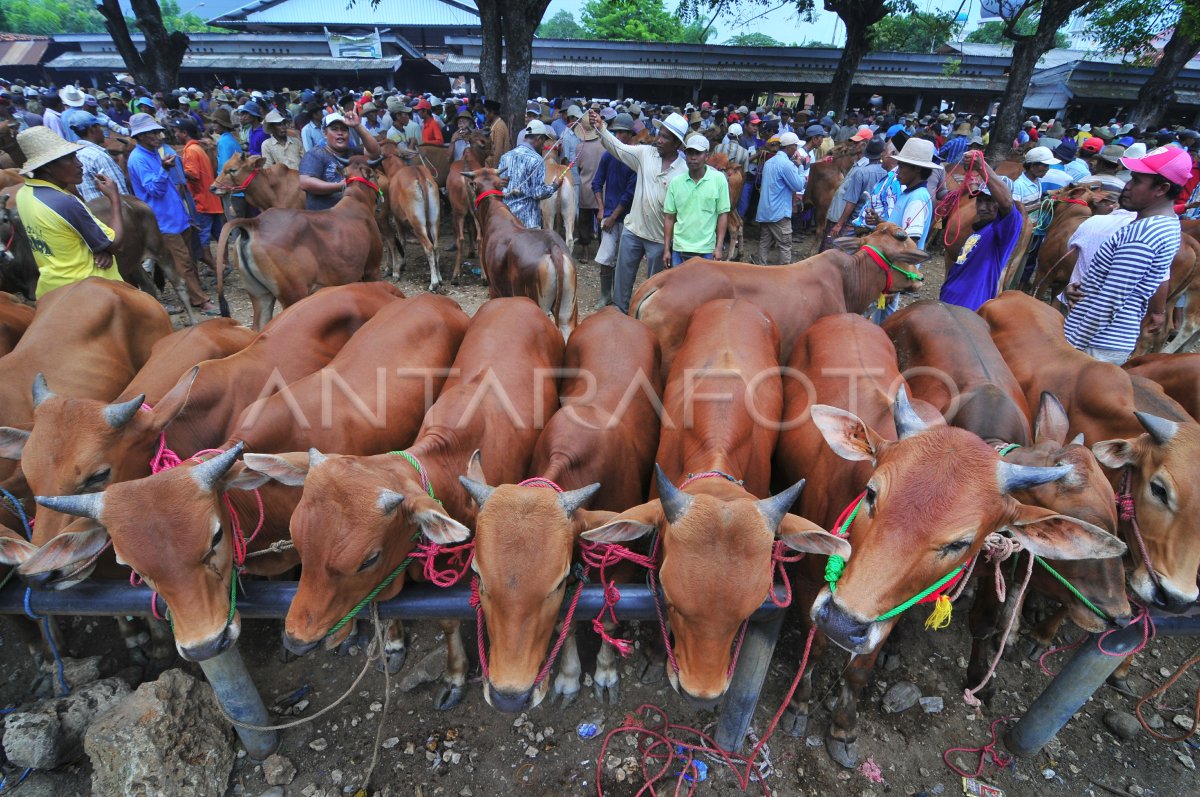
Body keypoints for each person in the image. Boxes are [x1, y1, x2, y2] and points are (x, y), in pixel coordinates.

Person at [1064, 146, 1186, 364]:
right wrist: (1086, 287)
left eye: (1137, 181)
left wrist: (1071, 346)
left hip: (1094, 344)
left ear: (1162, 188)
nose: (1127, 186)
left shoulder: (1145, 235)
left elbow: (1110, 301)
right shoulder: (1164, 224)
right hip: (1099, 339)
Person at [589, 108, 688, 313]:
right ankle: (619, 313)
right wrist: (601, 129)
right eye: (659, 134)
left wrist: (671, 243)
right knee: (622, 281)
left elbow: (682, 210)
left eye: (665, 137)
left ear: (677, 144)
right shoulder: (645, 154)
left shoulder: (683, 171)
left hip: (659, 238)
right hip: (633, 229)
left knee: (654, 287)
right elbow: (618, 148)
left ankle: (646, 319)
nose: (659, 140)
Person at [13, 127, 124, 298]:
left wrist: (100, 248)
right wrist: (114, 198)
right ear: (49, 167)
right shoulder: (65, 202)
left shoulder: (23, 194)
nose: (79, 164)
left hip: (51, 288)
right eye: (70, 158)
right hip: (91, 287)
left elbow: (59, 237)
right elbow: (115, 244)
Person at [126, 112, 216, 315]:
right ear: (140, 136)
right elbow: (155, 190)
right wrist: (164, 169)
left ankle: (195, 293)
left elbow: (172, 188)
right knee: (182, 262)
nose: (157, 136)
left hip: (177, 216)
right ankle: (200, 301)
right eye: (151, 133)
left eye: (157, 132)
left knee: (188, 259)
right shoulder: (138, 159)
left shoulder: (155, 153)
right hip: (163, 221)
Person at [865, 137, 938, 322]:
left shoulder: (917, 198)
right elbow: (899, 231)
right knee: (877, 314)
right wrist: (881, 222)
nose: (897, 170)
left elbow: (909, 241)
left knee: (881, 318)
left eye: (903, 166)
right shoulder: (908, 193)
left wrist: (892, 282)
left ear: (917, 169)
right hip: (889, 269)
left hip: (895, 270)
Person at [939, 152, 1022, 311]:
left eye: (991, 202)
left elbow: (1006, 203)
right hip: (949, 301)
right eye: (980, 201)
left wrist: (982, 166)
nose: (983, 207)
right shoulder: (981, 229)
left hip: (969, 309)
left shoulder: (1006, 229)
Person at [590, 113, 637, 310]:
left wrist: (612, 216)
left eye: (622, 133)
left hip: (628, 218)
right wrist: (601, 209)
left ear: (631, 135)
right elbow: (596, 183)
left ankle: (619, 298)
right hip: (610, 213)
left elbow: (629, 194)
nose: (618, 136)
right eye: (616, 132)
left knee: (623, 260)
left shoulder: (634, 158)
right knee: (606, 257)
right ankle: (605, 296)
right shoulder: (608, 155)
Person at [663, 134, 729, 266]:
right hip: (679, 248)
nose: (693, 157)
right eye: (689, 153)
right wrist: (666, 249)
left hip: (707, 249)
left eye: (698, 153)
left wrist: (718, 247)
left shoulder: (719, 180)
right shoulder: (676, 182)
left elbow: (723, 214)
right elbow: (669, 217)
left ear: (706, 156)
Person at [297, 108, 382, 211]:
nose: (340, 133)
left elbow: (375, 152)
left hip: (354, 213)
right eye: (335, 129)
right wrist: (341, 185)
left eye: (344, 129)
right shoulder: (315, 154)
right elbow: (305, 182)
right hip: (324, 216)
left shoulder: (353, 151)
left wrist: (357, 126)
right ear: (325, 134)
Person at [172, 117, 224, 270]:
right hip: (211, 199)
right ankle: (224, 264)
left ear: (184, 133)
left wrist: (174, 167)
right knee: (219, 235)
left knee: (203, 239)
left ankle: (216, 267)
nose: (175, 135)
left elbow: (193, 174)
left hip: (202, 201)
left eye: (176, 132)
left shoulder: (190, 150)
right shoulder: (197, 148)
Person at [495, 120, 562, 228]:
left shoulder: (505, 157)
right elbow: (538, 193)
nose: (543, 145)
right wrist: (554, 186)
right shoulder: (537, 160)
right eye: (543, 141)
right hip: (528, 225)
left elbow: (500, 186)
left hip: (507, 221)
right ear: (538, 139)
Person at [756, 131, 806, 265]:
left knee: (764, 243)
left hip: (766, 210)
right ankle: (785, 272)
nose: (796, 149)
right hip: (779, 212)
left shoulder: (769, 162)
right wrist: (800, 167)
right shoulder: (786, 164)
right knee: (785, 245)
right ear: (790, 147)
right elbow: (798, 185)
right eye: (795, 146)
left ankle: (760, 269)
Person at [827, 137, 889, 243]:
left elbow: (851, 202)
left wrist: (839, 224)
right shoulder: (889, 172)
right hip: (878, 222)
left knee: (841, 246)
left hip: (857, 220)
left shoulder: (861, 172)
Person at [68, 111, 129, 202]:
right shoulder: (98, 156)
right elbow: (122, 195)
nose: (102, 130)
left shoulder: (77, 156)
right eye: (99, 126)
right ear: (92, 129)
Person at [483, 99, 510, 169]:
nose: (485, 115)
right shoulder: (494, 124)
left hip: (497, 167)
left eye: (485, 113)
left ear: (491, 112)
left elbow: (498, 151)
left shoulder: (499, 126)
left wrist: (494, 170)